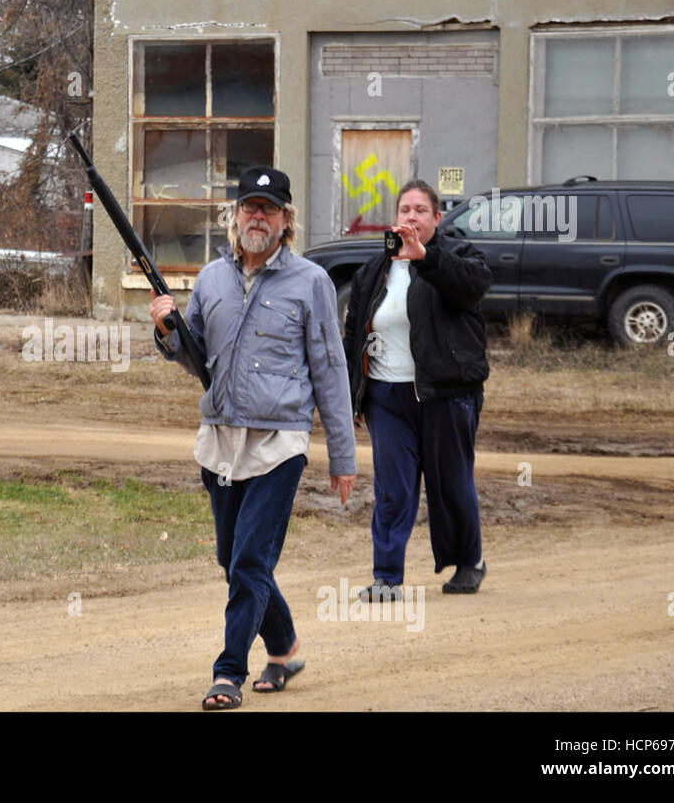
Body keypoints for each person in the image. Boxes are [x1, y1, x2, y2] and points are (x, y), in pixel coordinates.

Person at [151, 166, 357, 711]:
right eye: (249, 206)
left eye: (269, 208)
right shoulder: (211, 279)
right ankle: (285, 648)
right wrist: (167, 329)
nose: (257, 216)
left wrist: (343, 456)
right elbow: (192, 359)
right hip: (219, 439)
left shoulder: (311, 281)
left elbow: (331, 372)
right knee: (234, 558)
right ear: (235, 215)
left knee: (247, 563)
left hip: (279, 444)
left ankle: (228, 674)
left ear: (286, 220)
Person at [342, 180, 492, 602]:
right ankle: (387, 576)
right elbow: (355, 334)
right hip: (388, 398)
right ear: (396, 218)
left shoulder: (459, 258)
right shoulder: (374, 270)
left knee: (452, 483)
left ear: (437, 219)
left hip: (446, 394)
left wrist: (425, 258)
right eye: (405, 209)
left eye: (421, 210)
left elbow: (471, 288)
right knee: (394, 488)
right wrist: (355, 394)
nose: (411, 216)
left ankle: (469, 562)